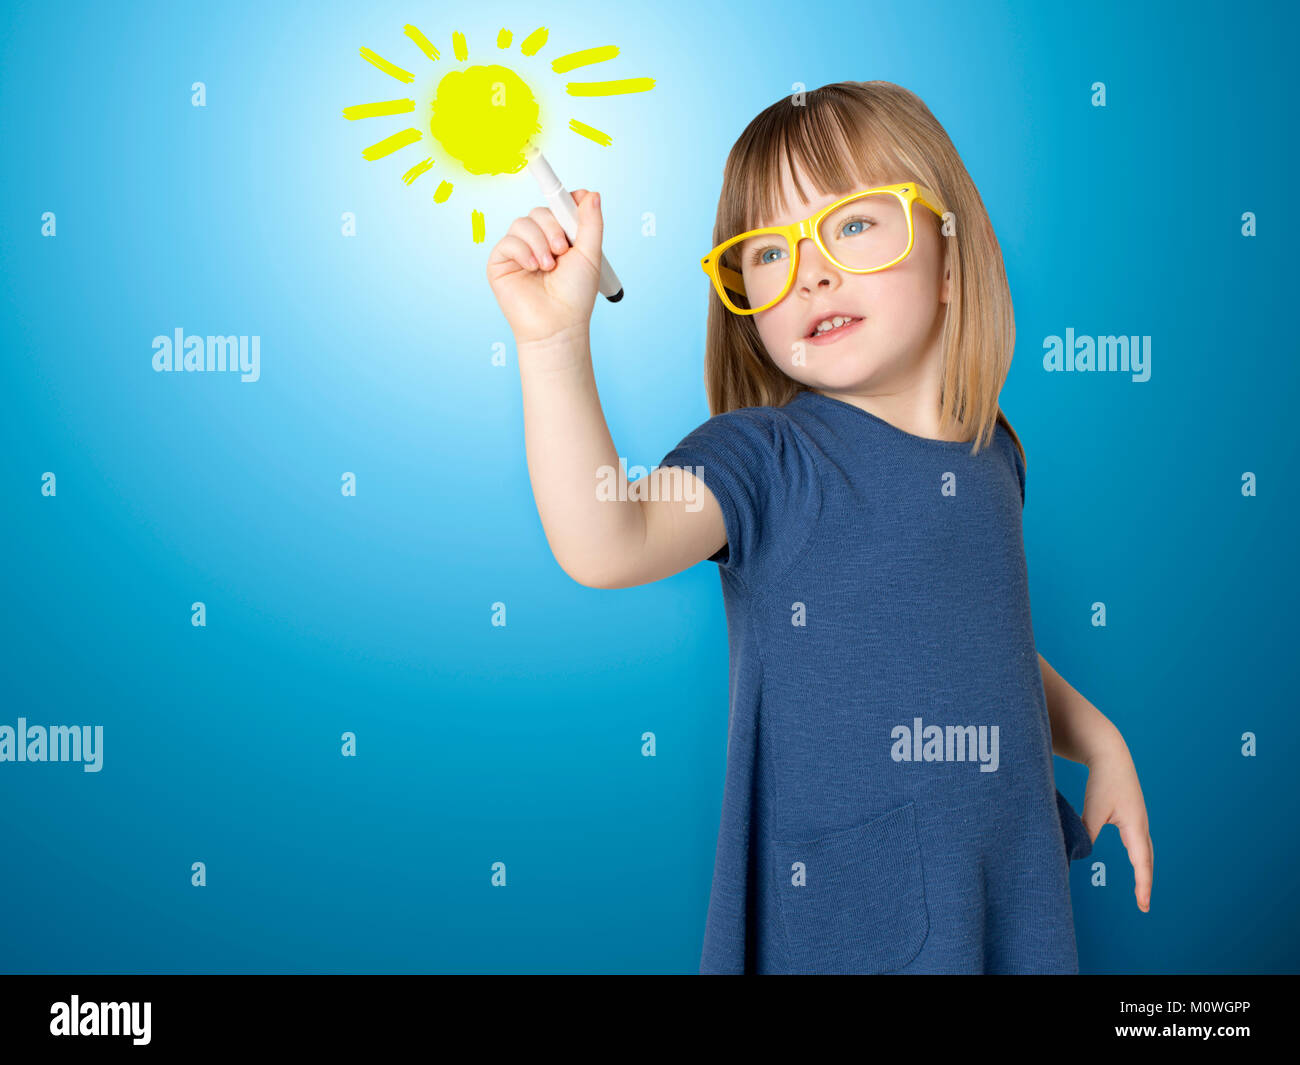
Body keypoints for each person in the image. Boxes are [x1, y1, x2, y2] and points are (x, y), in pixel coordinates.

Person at [485, 80, 1153, 974]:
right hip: (854, 924)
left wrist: (1097, 735)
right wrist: (552, 343)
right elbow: (606, 539)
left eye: (852, 225)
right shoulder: (770, 460)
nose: (811, 271)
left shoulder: (995, 455)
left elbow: (970, 639)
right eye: (767, 251)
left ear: (951, 260)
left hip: (1004, 894)